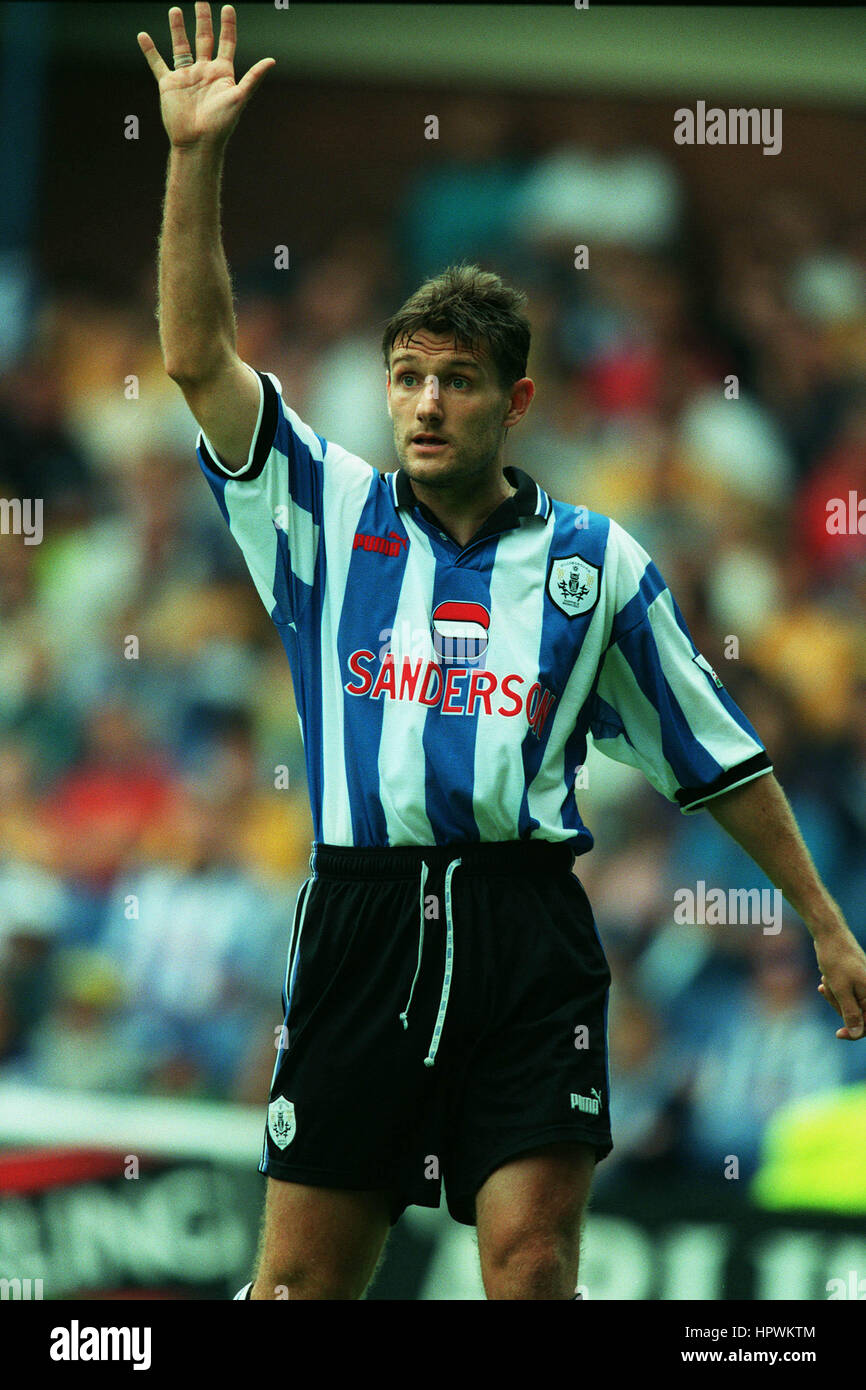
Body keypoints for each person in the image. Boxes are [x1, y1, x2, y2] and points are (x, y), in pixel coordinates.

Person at [138, 3, 866, 1301]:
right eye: (406, 375)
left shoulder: (596, 568)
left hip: (524, 933)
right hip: (361, 924)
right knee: (301, 1286)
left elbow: (717, 758)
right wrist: (194, 157)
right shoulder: (325, 510)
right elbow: (196, 358)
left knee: (530, 1268)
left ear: (515, 400)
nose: (425, 401)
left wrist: (823, 918)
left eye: (457, 380)